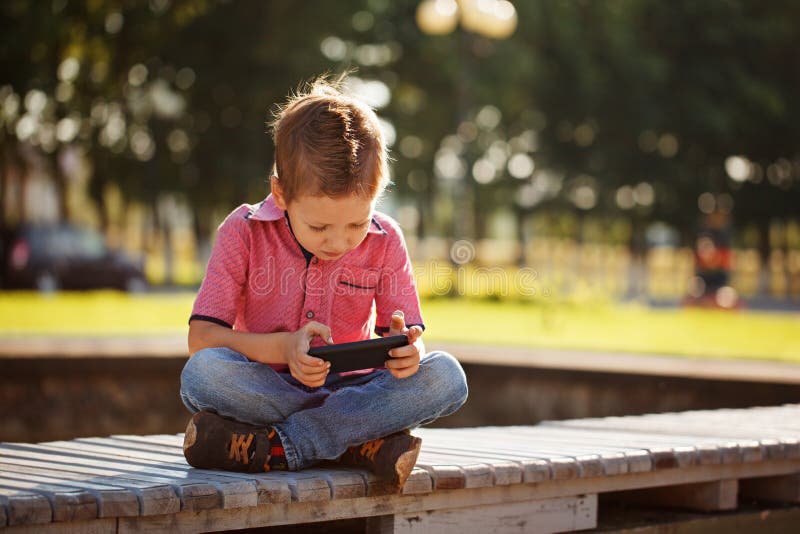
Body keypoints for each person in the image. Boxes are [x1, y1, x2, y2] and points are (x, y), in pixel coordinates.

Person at [179, 75, 468, 491]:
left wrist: (409, 351)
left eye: (356, 223)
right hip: (272, 384)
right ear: (280, 194)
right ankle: (357, 442)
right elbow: (201, 339)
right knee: (202, 375)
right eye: (319, 226)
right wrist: (283, 347)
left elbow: (408, 337)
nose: (339, 242)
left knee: (446, 377)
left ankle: (289, 444)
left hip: (360, 388)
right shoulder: (242, 231)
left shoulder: (386, 240)